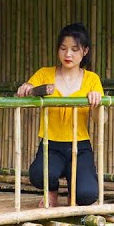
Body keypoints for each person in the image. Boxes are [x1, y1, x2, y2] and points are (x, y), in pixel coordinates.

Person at [18, 23, 103, 207]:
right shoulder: (44, 73)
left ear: (85, 51)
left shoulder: (92, 79)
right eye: (63, 48)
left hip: (79, 146)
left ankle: (75, 189)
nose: (68, 55)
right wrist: (26, 88)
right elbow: (28, 91)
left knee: (87, 196)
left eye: (74, 49)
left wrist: (96, 102)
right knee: (38, 175)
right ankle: (52, 190)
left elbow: (99, 120)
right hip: (51, 145)